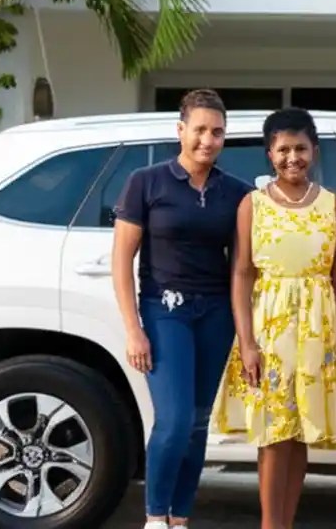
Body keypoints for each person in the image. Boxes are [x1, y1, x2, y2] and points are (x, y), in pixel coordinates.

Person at [111, 89, 254, 529]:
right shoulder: (146, 182)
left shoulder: (237, 193)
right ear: (180, 131)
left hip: (215, 315)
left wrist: (245, 337)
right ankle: (155, 518)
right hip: (164, 309)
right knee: (172, 420)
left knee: (196, 423)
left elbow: (241, 269)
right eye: (200, 130)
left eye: (217, 132)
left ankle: (180, 516)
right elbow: (122, 260)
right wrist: (134, 329)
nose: (207, 140)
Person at [210, 107, 336, 529]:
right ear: (269, 154)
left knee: (299, 434)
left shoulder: (332, 205)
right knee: (273, 434)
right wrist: (247, 342)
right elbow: (240, 274)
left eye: (301, 148)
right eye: (283, 149)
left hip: (318, 327)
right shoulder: (252, 205)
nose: (293, 157)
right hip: (269, 326)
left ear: (314, 150)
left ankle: (287, 522)